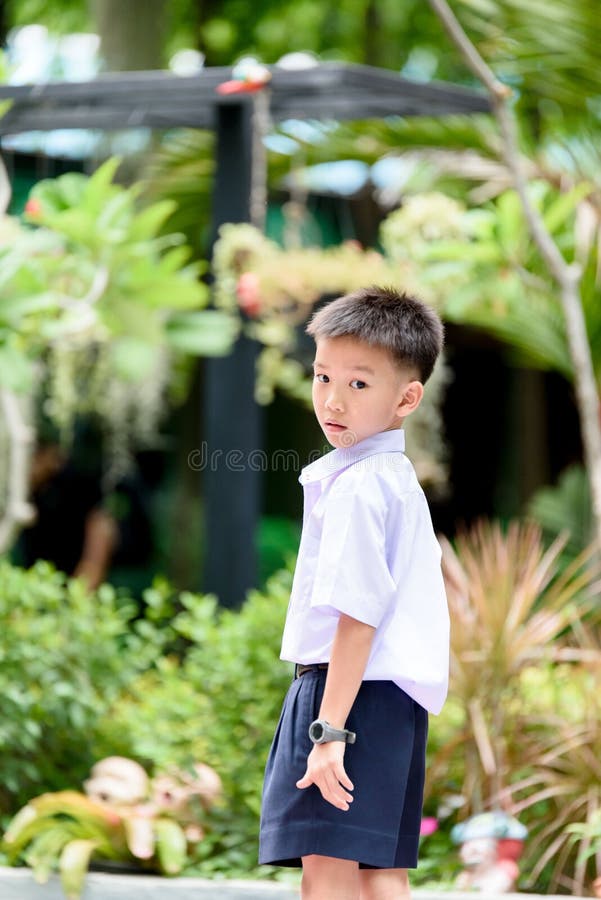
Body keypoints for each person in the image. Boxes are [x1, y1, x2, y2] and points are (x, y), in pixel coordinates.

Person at [259, 286, 450, 900]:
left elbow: (358, 616)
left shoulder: (361, 486)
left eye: (358, 384)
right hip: (388, 703)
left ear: (407, 399)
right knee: (379, 875)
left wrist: (329, 732)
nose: (333, 400)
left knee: (327, 875)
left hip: (347, 698)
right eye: (322, 377)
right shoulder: (394, 479)